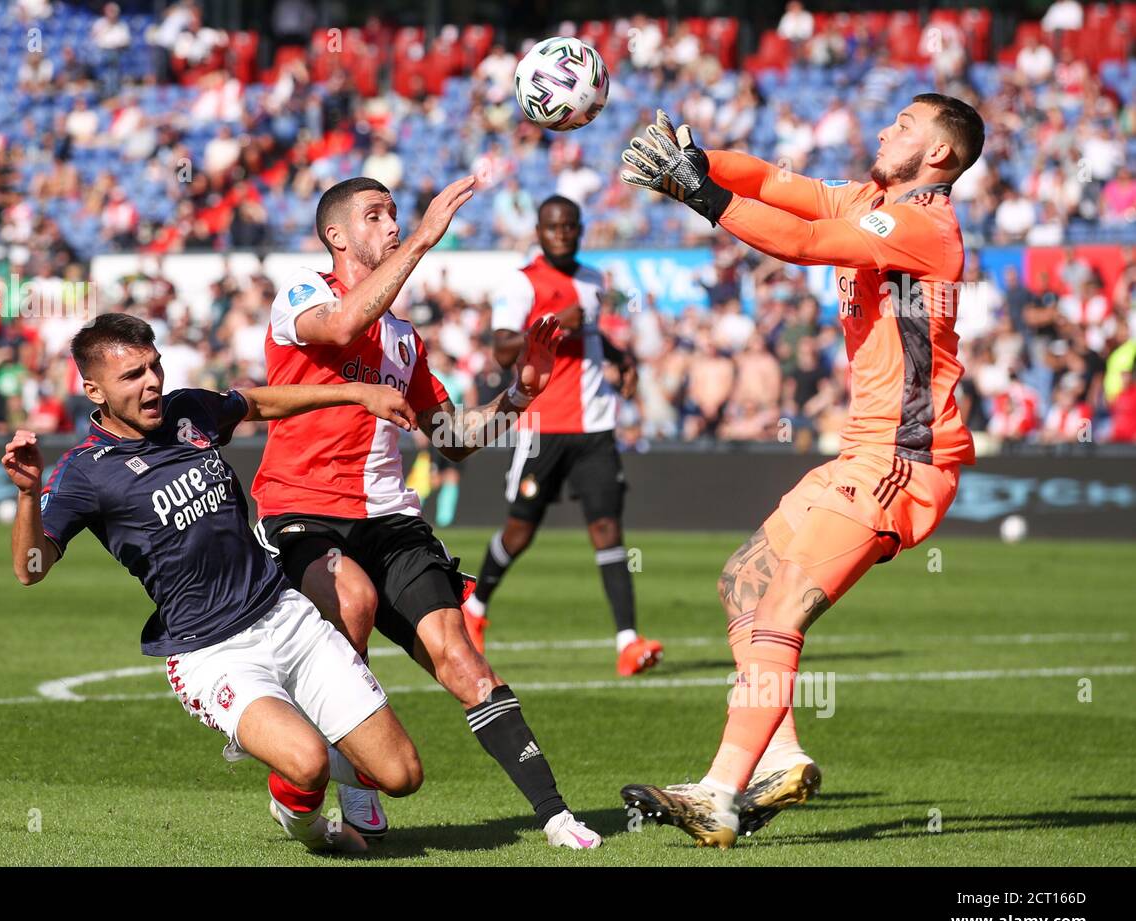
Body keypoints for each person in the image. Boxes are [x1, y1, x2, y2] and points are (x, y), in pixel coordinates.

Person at [618, 93, 984, 847]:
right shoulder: (869, 198)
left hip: (903, 461)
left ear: (940, 156)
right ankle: (781, 761)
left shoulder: (925, 227)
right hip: (863, 452)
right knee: (744, 583)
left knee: (782, 609)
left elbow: (804, 242)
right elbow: (776, 183)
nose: (884, 127)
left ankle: (719, 791)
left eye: (905, 125)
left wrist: (700, 196)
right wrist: (702, 162)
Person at [250, 175, 601, 850]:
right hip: (302, 510)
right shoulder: (303, 292)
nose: (390, 225)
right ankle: (350, 779)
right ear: (336, 235)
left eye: (396, 216)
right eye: (375, 216)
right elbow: (344, 322)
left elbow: (453, 440)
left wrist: (519, 395)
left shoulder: (405, 340)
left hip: (390, 518)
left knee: (464, 661)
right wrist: (425, 237)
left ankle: (556, 815)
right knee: (348, 598)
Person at [1, 312, 424, 854]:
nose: (152, 382)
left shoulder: (187, 410)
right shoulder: (84, 473)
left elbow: (261, 403)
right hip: (210, 652)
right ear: (94, 390)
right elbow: (29, 569)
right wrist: (27, 495)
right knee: (309, 763)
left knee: (403, 776)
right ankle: (311, 824)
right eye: (132, 375)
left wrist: (358, 393)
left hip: (283, 613)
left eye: (154, 366)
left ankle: (281, 747)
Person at [463, 196, 659, 677]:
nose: (563, 233)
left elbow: (589, 334)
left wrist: (619, 358)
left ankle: (628, 643)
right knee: (520, 531)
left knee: (608, 529)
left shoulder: (593, 279)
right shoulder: (521, 282)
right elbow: (504, 349)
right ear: (539, 229)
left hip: (594, 426)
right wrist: (550, 324)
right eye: (554, 226)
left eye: (570, 225)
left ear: (580, 228)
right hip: (543, 425)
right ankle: (476, 608)